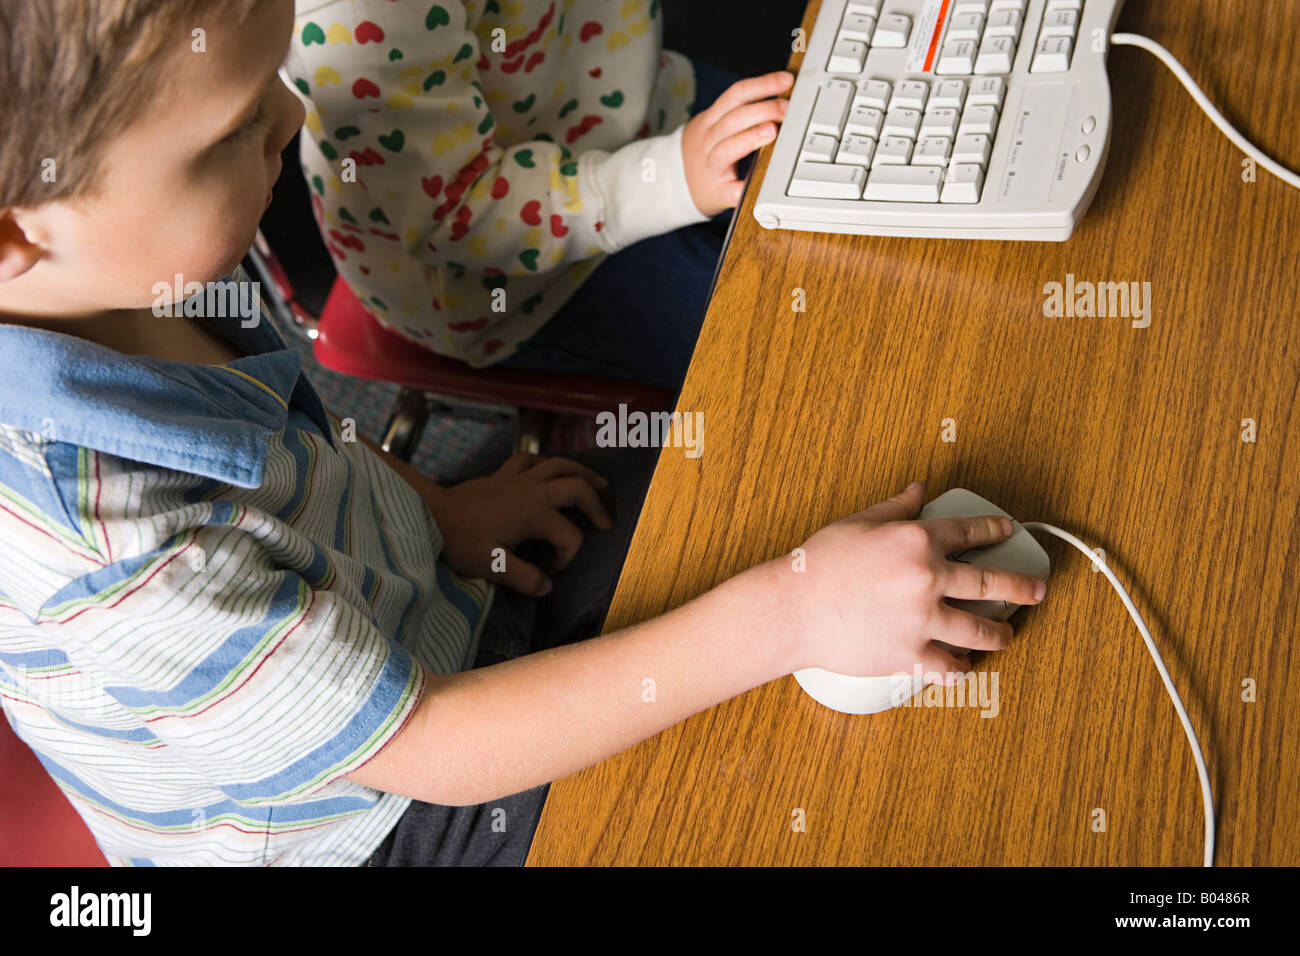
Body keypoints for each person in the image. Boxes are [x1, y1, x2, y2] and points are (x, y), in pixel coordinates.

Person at [0, 0, 1044, 866]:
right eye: (231, 130)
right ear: (15, 235)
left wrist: (434, 510)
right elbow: (436, 742)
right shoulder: (114, 553)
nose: (289, 117)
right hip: (394, 813)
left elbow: (294, 454)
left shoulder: (122, 283)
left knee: (743, 472)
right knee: (763, 787)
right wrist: (792, 614)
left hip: (413, 601)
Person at [286, 0, 793, 389]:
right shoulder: (359, 16)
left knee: (840, 185)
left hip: (629, 98)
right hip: (506, 276)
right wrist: (669, 177)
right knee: (795, 344)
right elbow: (459, 215)